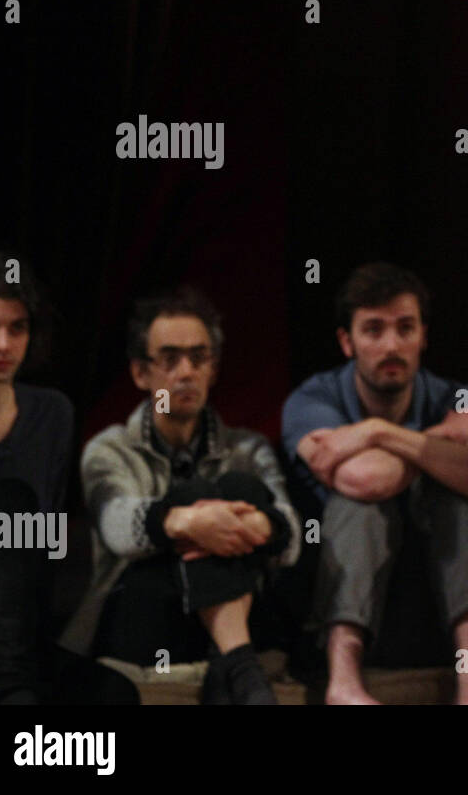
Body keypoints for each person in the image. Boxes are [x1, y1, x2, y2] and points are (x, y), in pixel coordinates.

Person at [61, 287, 300, 705]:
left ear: (214, 369)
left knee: (241, 488)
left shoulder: (250, 448)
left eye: (198, 358)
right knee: (197, 495)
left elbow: (294, 541)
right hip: (144, 614)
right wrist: (187, 521)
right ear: (141, 373)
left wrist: (264, 523)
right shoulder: (108, 448)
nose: (185, 373)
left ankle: (231, 662)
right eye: (170, 360)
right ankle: (239, 666)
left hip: (233, 612)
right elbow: (117, 526)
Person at [282, 262, 468, 705]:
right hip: (340, 606)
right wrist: (441, 436)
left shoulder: (456, 397)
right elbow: (363, 480)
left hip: (440, 605)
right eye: (373, 330)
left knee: (455, 496)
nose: (392, 345)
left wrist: (377, 435)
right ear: (347, 342)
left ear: (424, 336)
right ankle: (342, 684)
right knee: (359, 504)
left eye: (406, 328)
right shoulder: (313, 399)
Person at [0, 251, 137, 704]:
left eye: (17, 328)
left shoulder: (51, 413)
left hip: (24, 628)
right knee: (7, 505)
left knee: (116, 696)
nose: (3, 344)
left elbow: (48, 537)